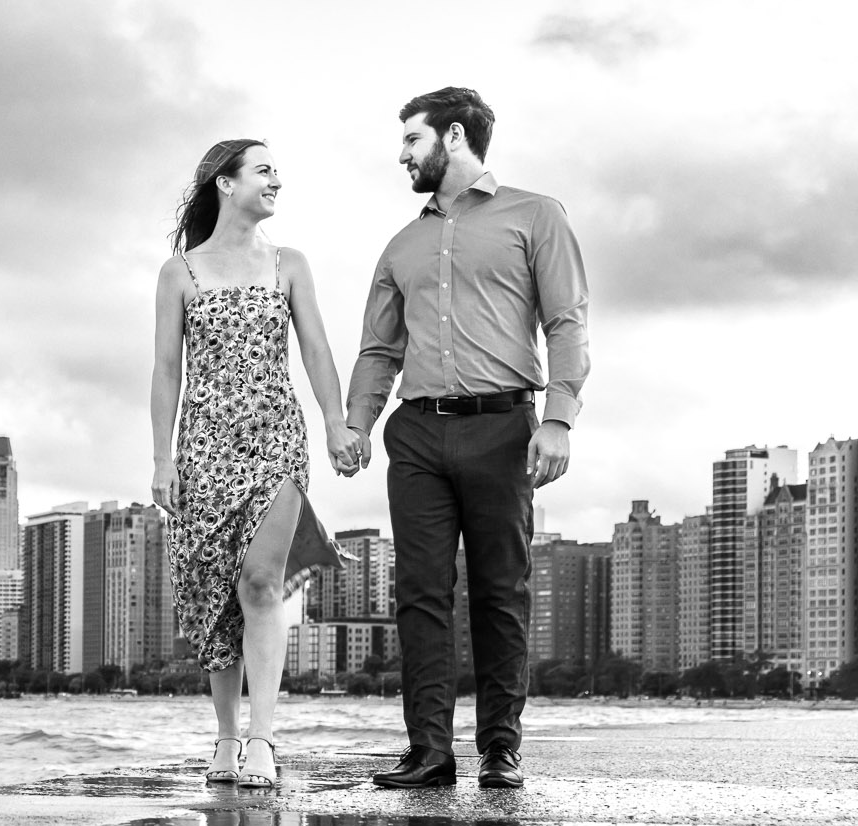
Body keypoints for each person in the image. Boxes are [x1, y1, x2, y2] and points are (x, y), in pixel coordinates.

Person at [345, 87, 590, 790]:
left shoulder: (536, 215)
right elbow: (377, 349)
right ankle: (428, 750)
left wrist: (558, 417)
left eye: (412, 141)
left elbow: (567, 321)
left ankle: (500, 751)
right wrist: (359, 423)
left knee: (499, 591)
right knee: (418, 593)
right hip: (417, 433)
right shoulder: (401, 245)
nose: (402, 155)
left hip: (504, 426)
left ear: (454, 137)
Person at [151, 139, 360, 789]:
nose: (277, 179)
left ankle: (263, 740)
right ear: (224, 183)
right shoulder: (180, 273)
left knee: (262, 583)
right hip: (204, 447)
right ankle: (223, 738)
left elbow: (317, 350)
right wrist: (162, 460)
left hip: (277, 443)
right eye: (264, 169)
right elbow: (165, 371)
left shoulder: (289, 264)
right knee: (218, 597)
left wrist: (335, 422)